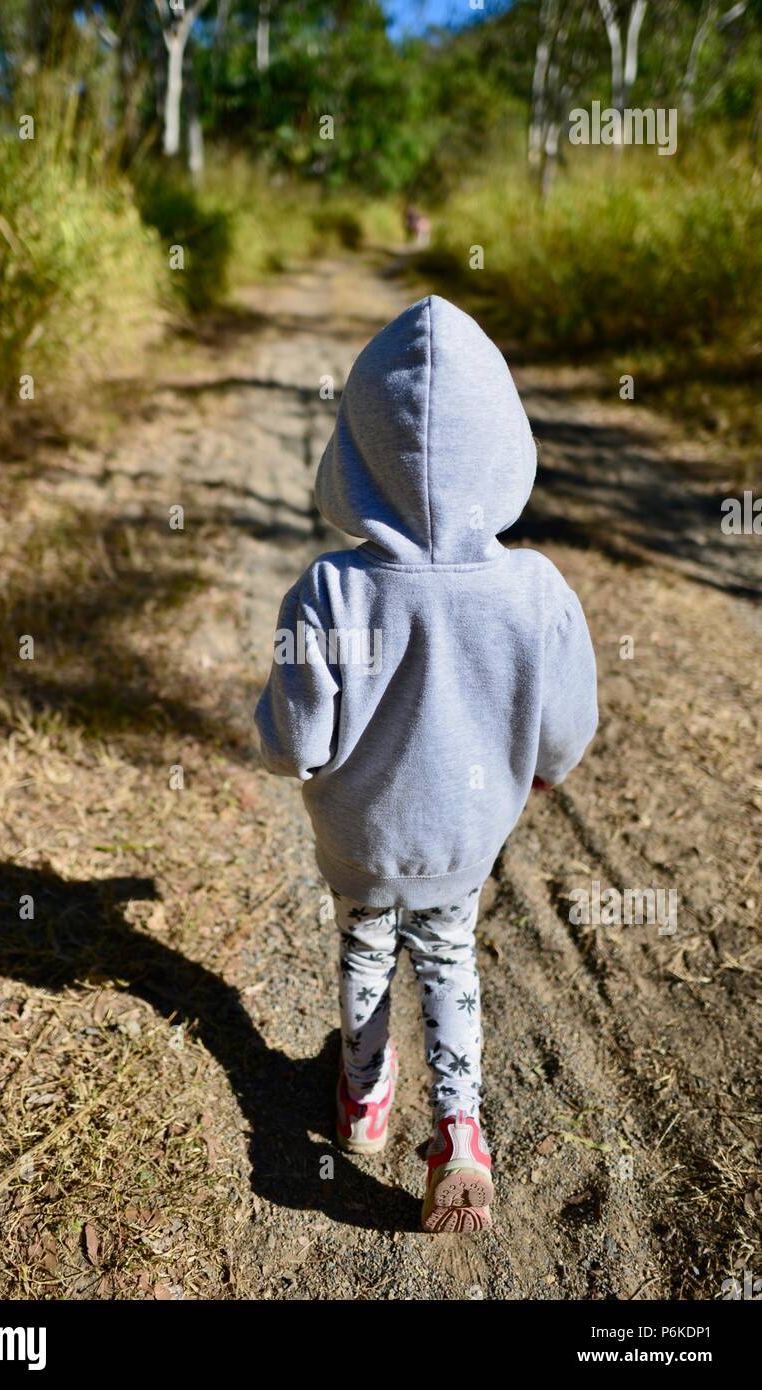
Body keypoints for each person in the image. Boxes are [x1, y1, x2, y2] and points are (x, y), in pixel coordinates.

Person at [254, 295, 598, 1233]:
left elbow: (297, 740)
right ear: (506, 447)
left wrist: (279, 741)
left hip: (360, 831)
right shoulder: (535, 591)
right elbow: (566, 729)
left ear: (356, 458)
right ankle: (458, 1128)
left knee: (365, 946)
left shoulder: (329, 589)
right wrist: (538, 775)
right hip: (462, 835)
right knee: (448, 962)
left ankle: (362, 1100)